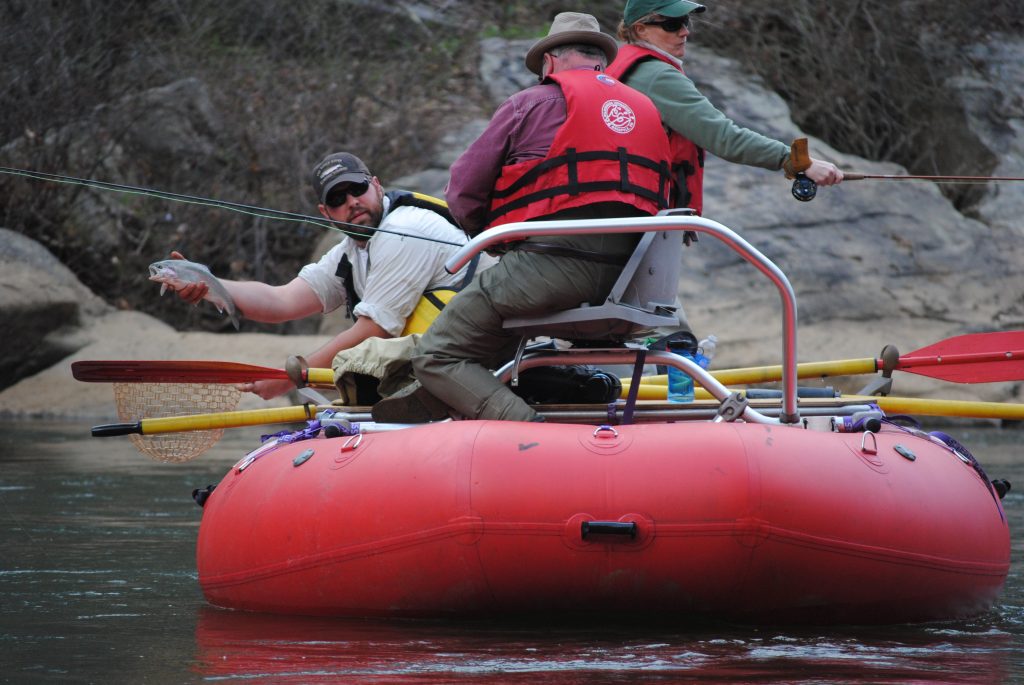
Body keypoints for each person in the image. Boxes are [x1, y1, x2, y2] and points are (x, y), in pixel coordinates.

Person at [371, 12, 673, 423]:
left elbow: (464, 191)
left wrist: (489, 239)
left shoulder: (529, 104)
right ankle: (440, 398)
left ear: (549, 61)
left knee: (438, 354)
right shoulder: (644, 111)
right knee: (486, 329)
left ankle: (525, 431)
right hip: (637, 280)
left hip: (551, 268)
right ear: (600, 63)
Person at [164, 152, 495, 399]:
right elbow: (282, 301)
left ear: (376, 186)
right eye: (338, 198)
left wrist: (291, 377)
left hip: (486, 359)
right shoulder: (350, 250)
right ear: (325, 212)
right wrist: (207, 284)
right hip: (441, 365)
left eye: (358, 189)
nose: (352, 202)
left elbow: (373, 330)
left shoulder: (404, 229)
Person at [606, 0, 843, 214]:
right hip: (636, 211)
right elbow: (723, 137)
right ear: (640, 30)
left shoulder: (616, 64)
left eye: (685, 22)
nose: (685, 31)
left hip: (619, 203)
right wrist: (796, 161)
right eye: (672, 24)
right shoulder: (657, 77)